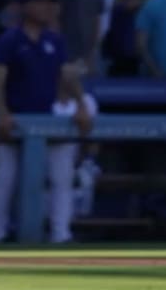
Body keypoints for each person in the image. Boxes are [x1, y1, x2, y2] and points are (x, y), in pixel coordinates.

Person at [0, 0, 93, 244]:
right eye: (40, 2)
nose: (46, 7)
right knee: (6, 178)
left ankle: (61, 234)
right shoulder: (9, 39)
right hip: (16, 117)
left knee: (60, 176)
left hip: (47, 119)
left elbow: (67, 74)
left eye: (49, 2)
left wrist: (81, 104)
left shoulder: (54, 40)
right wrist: (1, 113)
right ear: (25, 7)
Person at [47, 74, 99, 244]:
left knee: (67, 177)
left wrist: (84, 158)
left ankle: (61, 235)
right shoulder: (42, 94)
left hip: (71, 157)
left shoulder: (87, 101)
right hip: (38, 154)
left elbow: (92, 141)